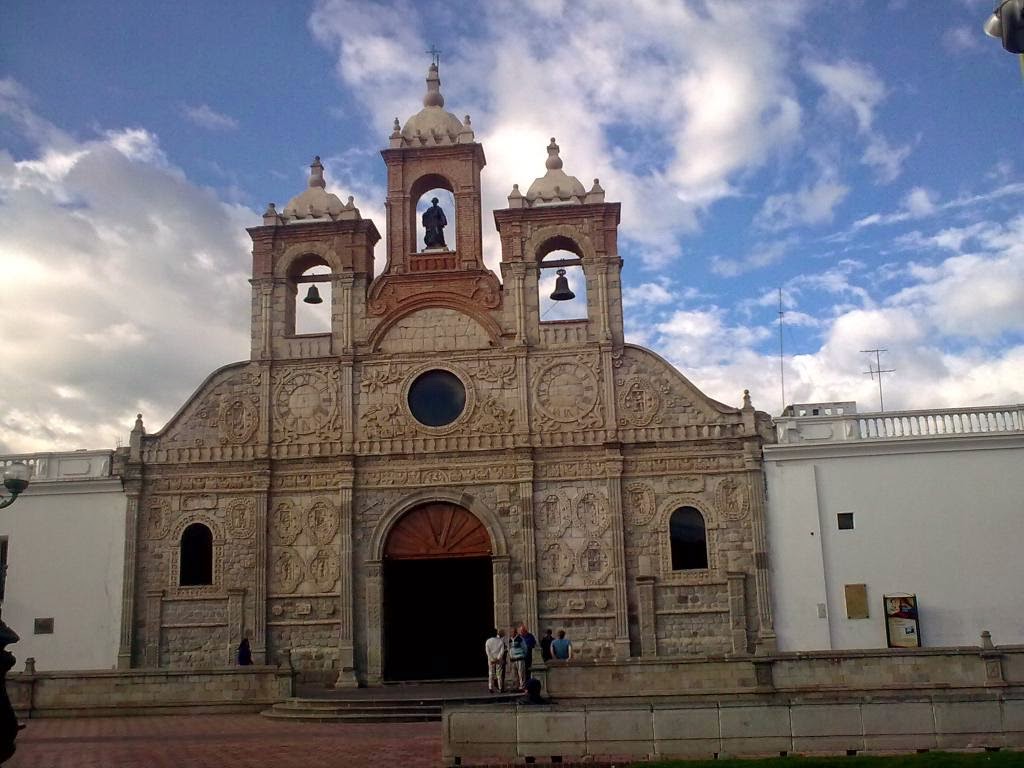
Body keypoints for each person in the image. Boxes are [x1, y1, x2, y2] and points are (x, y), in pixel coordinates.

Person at [484, 628, 506, 693]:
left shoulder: (488, 641)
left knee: (491, 673)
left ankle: (490, 687)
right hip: (498, 660)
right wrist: (498, 658)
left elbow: (487, 652)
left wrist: (491, 659)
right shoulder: (500, 641)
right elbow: (502, 652)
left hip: (491, 660)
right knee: (498, 673)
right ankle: (500, 687)